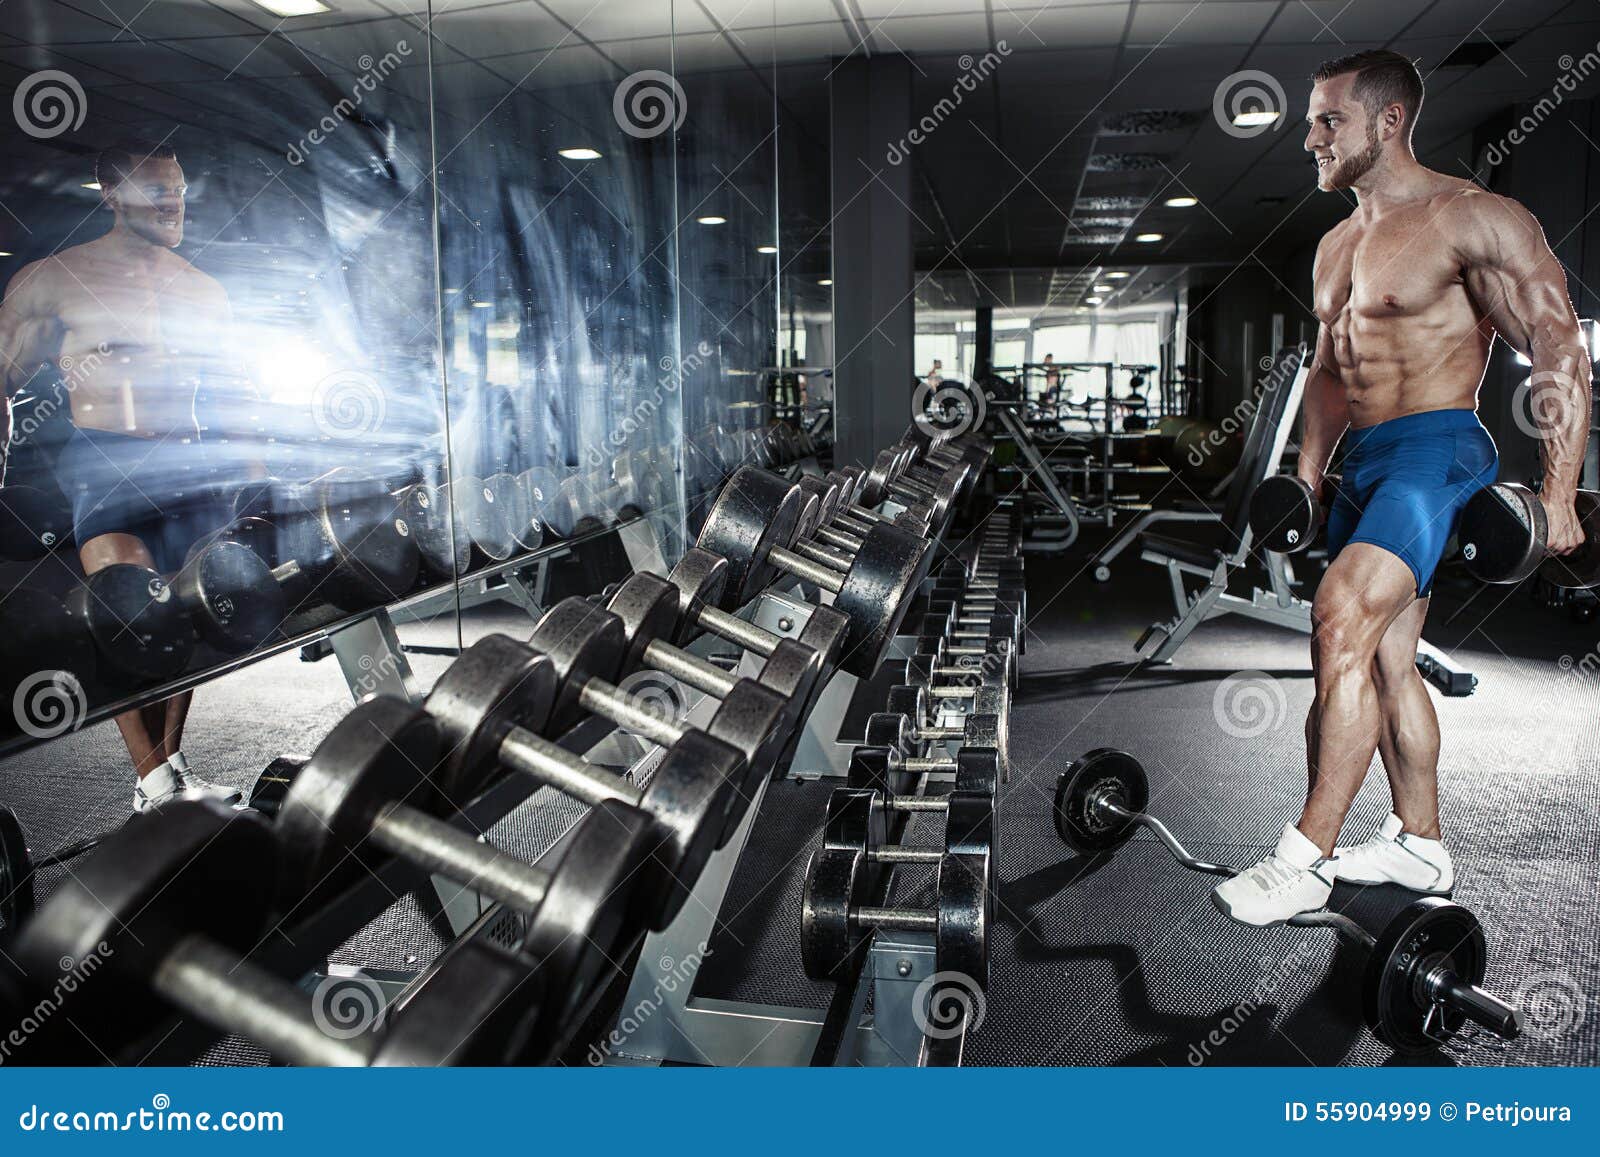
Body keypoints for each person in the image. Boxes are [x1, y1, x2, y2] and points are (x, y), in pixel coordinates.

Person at [1211, 51, 1591, 924]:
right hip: (1367, 461)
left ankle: (1305, 858)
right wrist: (1306, 476)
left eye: (1328, 120)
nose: (1309, 138)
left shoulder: (1470, 217)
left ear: (1388, 122)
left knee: (1339, 617)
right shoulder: (1336, 245)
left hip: (1438, 445)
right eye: (1310, 120)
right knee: (1385, 657)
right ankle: (1421, 841)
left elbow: (1557, 340)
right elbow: (1328, 371)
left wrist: (1561, 492)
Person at [0, 141, 247, 812]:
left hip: (192, 467)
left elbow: (232, 395)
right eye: (156, 192)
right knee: (128, 617)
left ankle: (168, 771)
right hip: (106, 463)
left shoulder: (204, 290)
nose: (174, 204)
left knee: (194, 618)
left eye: (180, 190)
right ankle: (156, 781)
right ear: (109, 194)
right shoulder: (56, 280)